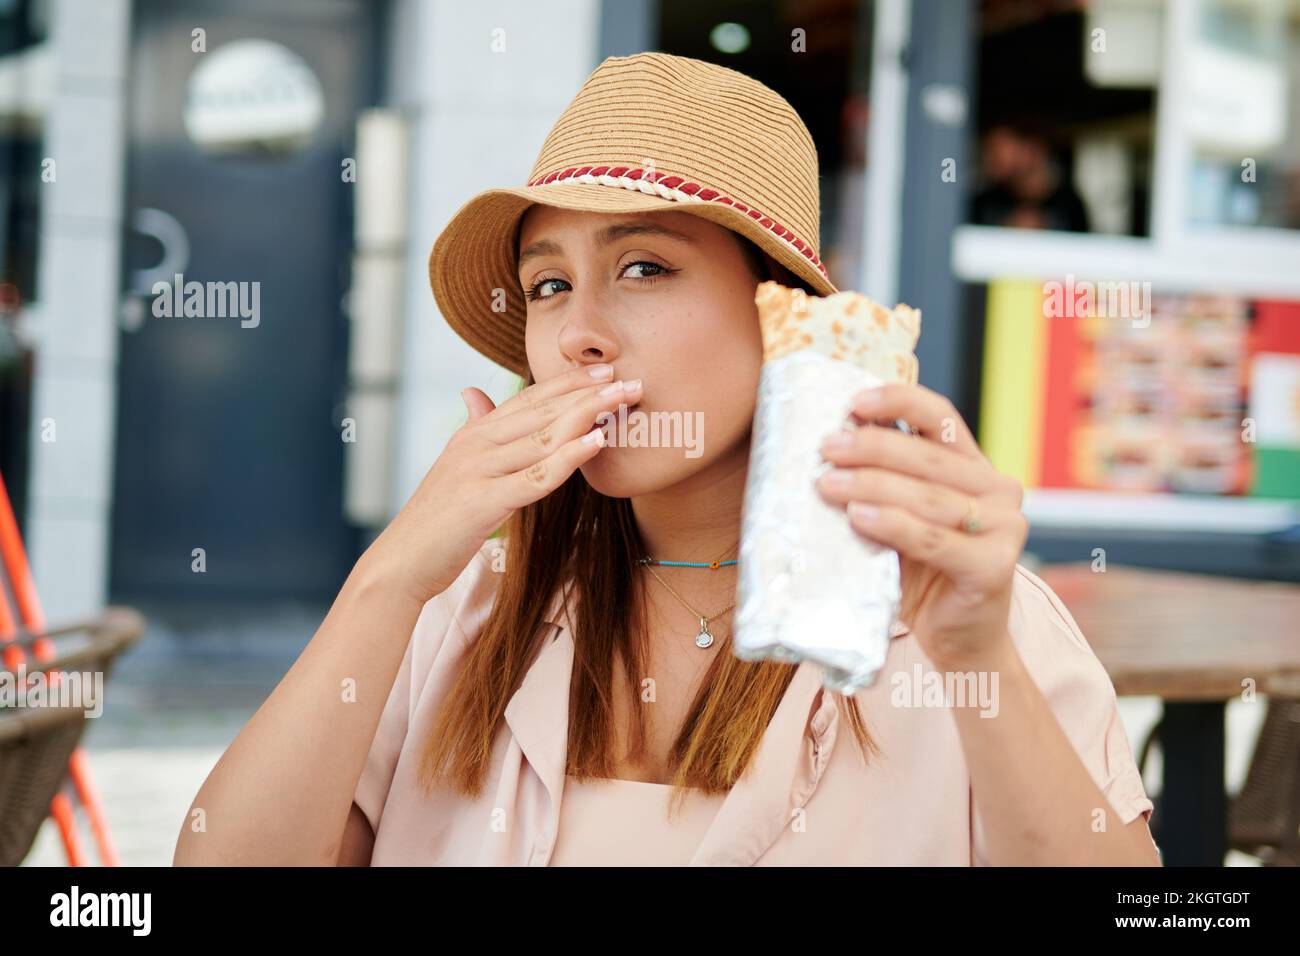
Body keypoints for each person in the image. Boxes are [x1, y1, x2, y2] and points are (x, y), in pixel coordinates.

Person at [174, 52, 1158, 867]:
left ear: (784, 318)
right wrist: (387, 579)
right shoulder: (467, 602)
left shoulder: (962, 615)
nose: (578, 335)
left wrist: (978, 652)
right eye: (548, 283)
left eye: (643, 266)